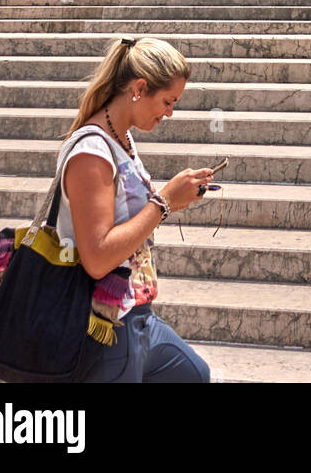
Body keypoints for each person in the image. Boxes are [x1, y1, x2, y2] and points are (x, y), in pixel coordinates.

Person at [56, 36, 215, 382]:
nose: (170, 113)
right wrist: (164, 202)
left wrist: (175, 198)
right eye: (168, 101)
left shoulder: (122, 139)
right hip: (105, 322)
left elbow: (128, 219)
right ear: (140, 88)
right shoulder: (91, 152)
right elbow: (97, 258)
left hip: (139, 314)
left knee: (194, 375)